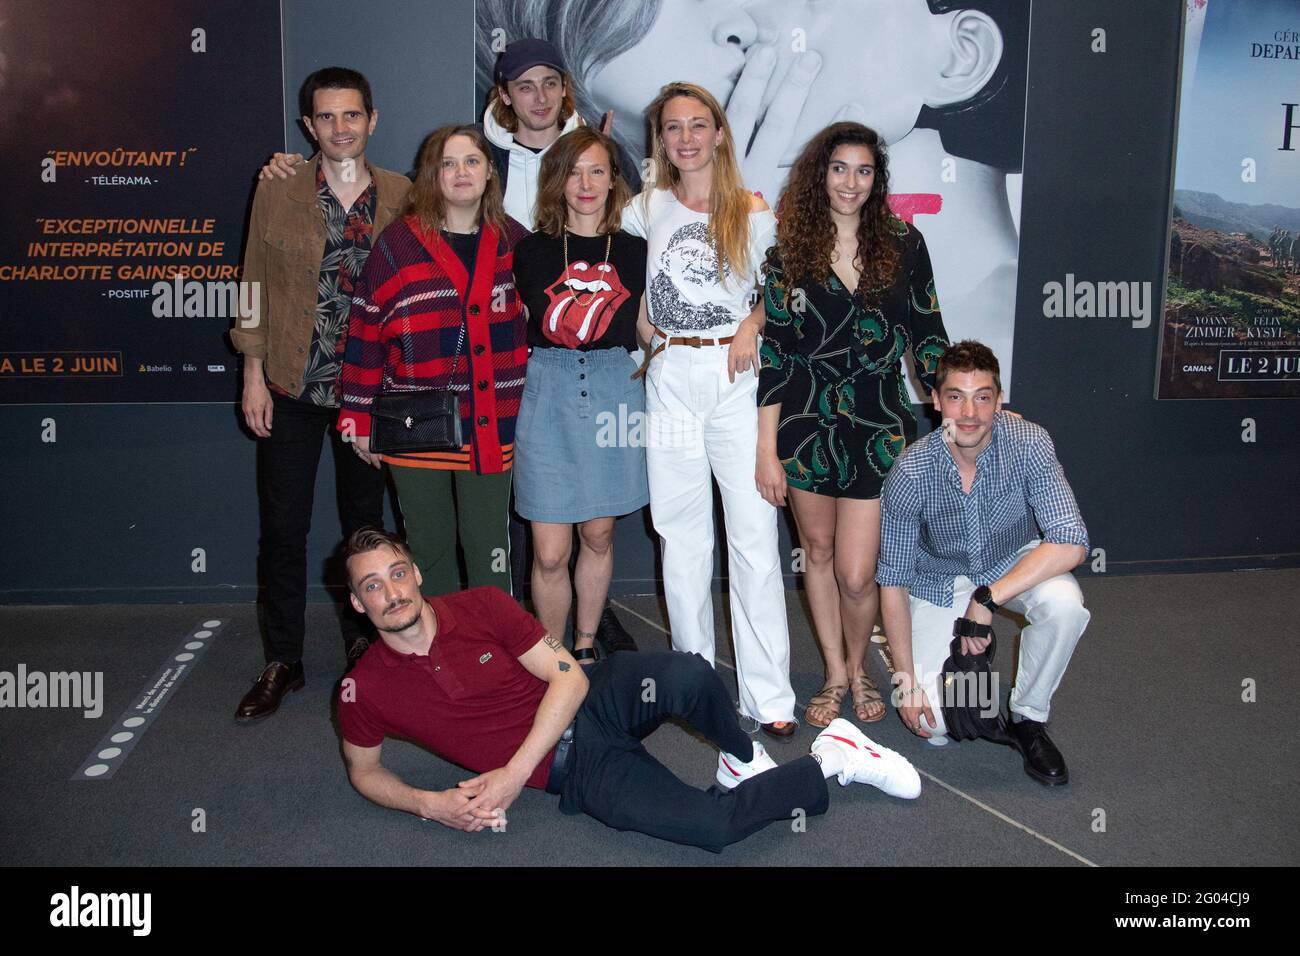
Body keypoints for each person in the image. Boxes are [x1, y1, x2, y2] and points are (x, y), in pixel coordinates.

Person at [337, 528, 921, 852]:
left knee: (690, 673)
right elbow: (364, 771)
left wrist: (512, 775)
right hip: (578, 771)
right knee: (712, 829)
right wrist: (430, 804)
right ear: (359, 604)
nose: (392, 593)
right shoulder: (364, 690)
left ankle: (741, 757)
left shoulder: (482, 606)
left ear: (416, 573)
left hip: (591, 698)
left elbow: (568, 676)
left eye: (397, 574)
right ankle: (834, 758)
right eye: (373, 586)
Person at [229, 67, 411, 722]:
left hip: (371, 393)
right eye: (326, 117)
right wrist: (252, 375)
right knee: (284, 528)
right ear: (308, 126)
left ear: (372, 119)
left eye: (351, 115)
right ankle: (284, 659)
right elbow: (253, 281)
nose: (340, 128)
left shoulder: (402, 194)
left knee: (366, 528)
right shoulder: (278, 189)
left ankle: (365, 645)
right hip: (290, 385)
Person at [757, 122, 949, 729]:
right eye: (839, 168)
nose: (850, 182)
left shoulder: (904, 243)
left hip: (878, 421)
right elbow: (776, 354)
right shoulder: (790, 251)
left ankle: (862, 664)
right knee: (815, 551)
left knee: (858, 572)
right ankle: (838, 673)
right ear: (822, 174)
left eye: (863, 170)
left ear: (876, 179)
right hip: (805, 421)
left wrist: (963, 402)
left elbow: (928, 331)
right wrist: (765, 450)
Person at [621, 81, 796, 738]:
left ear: (720, 133)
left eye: (698, 125)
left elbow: (788, 286)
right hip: (670, 376)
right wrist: (644, 326)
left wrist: (754, 320)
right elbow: (607, 263)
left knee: (753, 537)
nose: (686, 138)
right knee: (681, 536)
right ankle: (693, 685)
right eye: (673, 127)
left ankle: (769, 696)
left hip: (735, 376)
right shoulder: (645, 208)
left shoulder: (751, 210)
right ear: (660, 140)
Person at [744, 0, 1028, 392]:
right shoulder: (791, 240)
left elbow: (928, 345)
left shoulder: (995, 309)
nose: (751, 24)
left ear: (962, 55)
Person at [876, 341, 1091, 785]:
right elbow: (893, 581)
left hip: (1012, 562)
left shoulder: (1029, 442)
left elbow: (1071, 540)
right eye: (956, 396)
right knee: (934, 726)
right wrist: (906, 682)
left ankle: (1028, 717)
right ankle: (937, 655)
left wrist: (987, 599)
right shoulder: (911, 471)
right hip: (940, 578)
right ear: (936, 401)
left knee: (1065, 606)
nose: (970, 413)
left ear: (999, 399)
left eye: (983, 397)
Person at [336, 124, 529, 597]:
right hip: (415, 424)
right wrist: (357, 416)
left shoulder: (515, 242)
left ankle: (494, 641)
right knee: (428, 548)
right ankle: (439, 642)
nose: (461, 172)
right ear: (432, 174)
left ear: (489, 173)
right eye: (448, 163)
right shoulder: (398, 243)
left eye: (472, 161)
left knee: (490, 547)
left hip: (491, 423)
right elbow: (365, 328)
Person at [511, 128, 649, 666]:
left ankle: (586, 643)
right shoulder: (529, 251)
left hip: (615, 389)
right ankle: (553, 659)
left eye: (597, 171)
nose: (586, 183)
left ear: (614, 180)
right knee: (549, 552)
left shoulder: (637, 250)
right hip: (548, 391)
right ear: (557, 181)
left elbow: (648, 329)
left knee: (597, 534)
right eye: (574, 172)